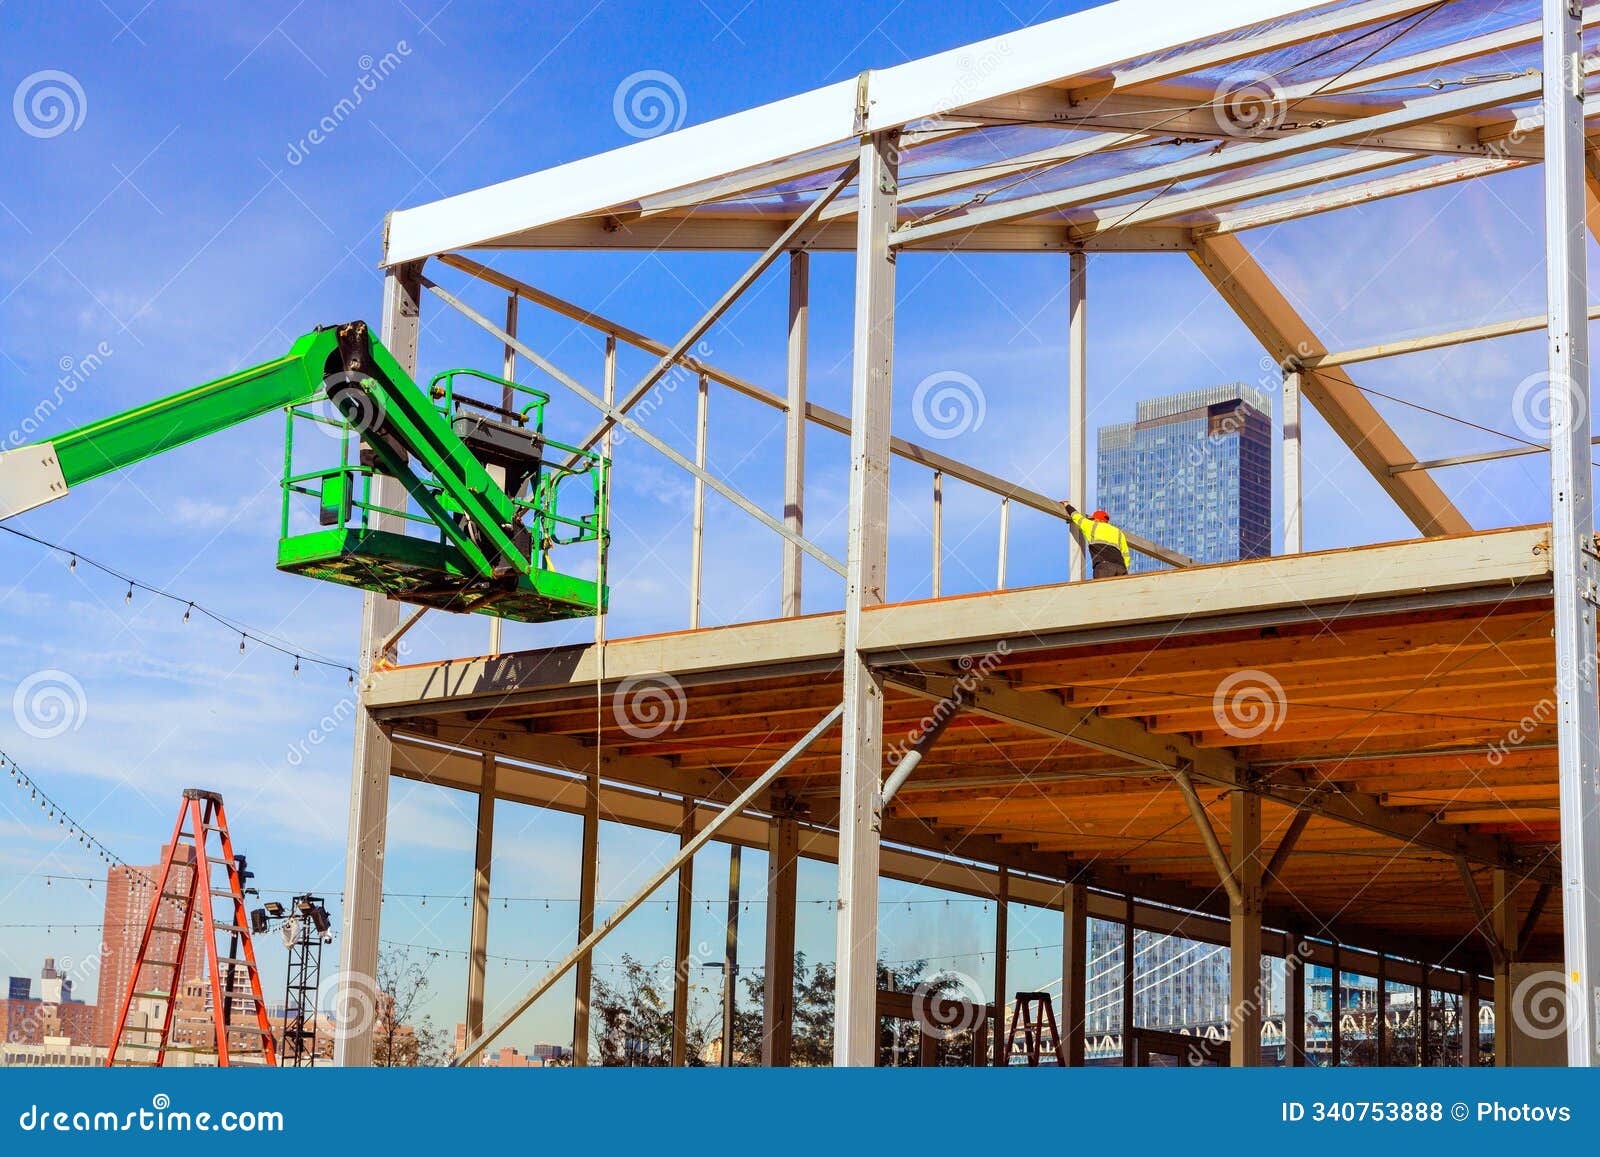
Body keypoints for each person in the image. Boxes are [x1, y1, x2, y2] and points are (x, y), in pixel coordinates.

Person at [1061, 501, 1130, 578]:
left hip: (1105, 567)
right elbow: (1126, 554)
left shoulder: (1092, 526)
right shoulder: (1118, 532)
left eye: (1093, 519)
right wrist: (1124, 568)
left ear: (1096, 519)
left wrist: (1067, 505)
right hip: (1121, 568)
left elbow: (1077, 517)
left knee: (1101, 589)